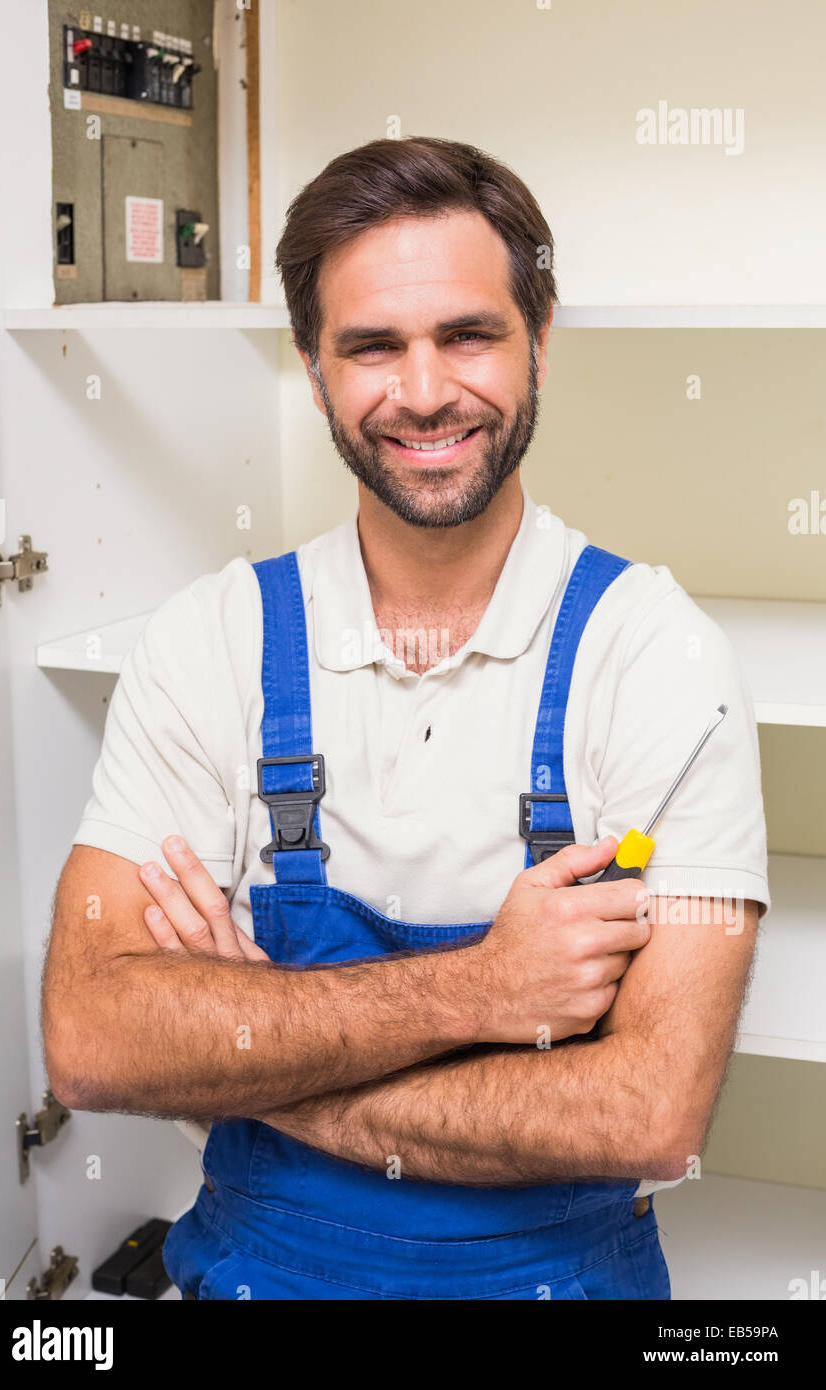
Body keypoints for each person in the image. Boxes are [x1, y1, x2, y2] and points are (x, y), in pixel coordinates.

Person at [43, 137, 769, 1301]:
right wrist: (482, 990)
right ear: (311, 363)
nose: (423, 393)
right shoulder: (211, 641)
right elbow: (91, 1042)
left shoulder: (657, 658)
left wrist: (237, 1054)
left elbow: (647, 1113)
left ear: (539, 337)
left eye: (466, 335)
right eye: (371, 346)